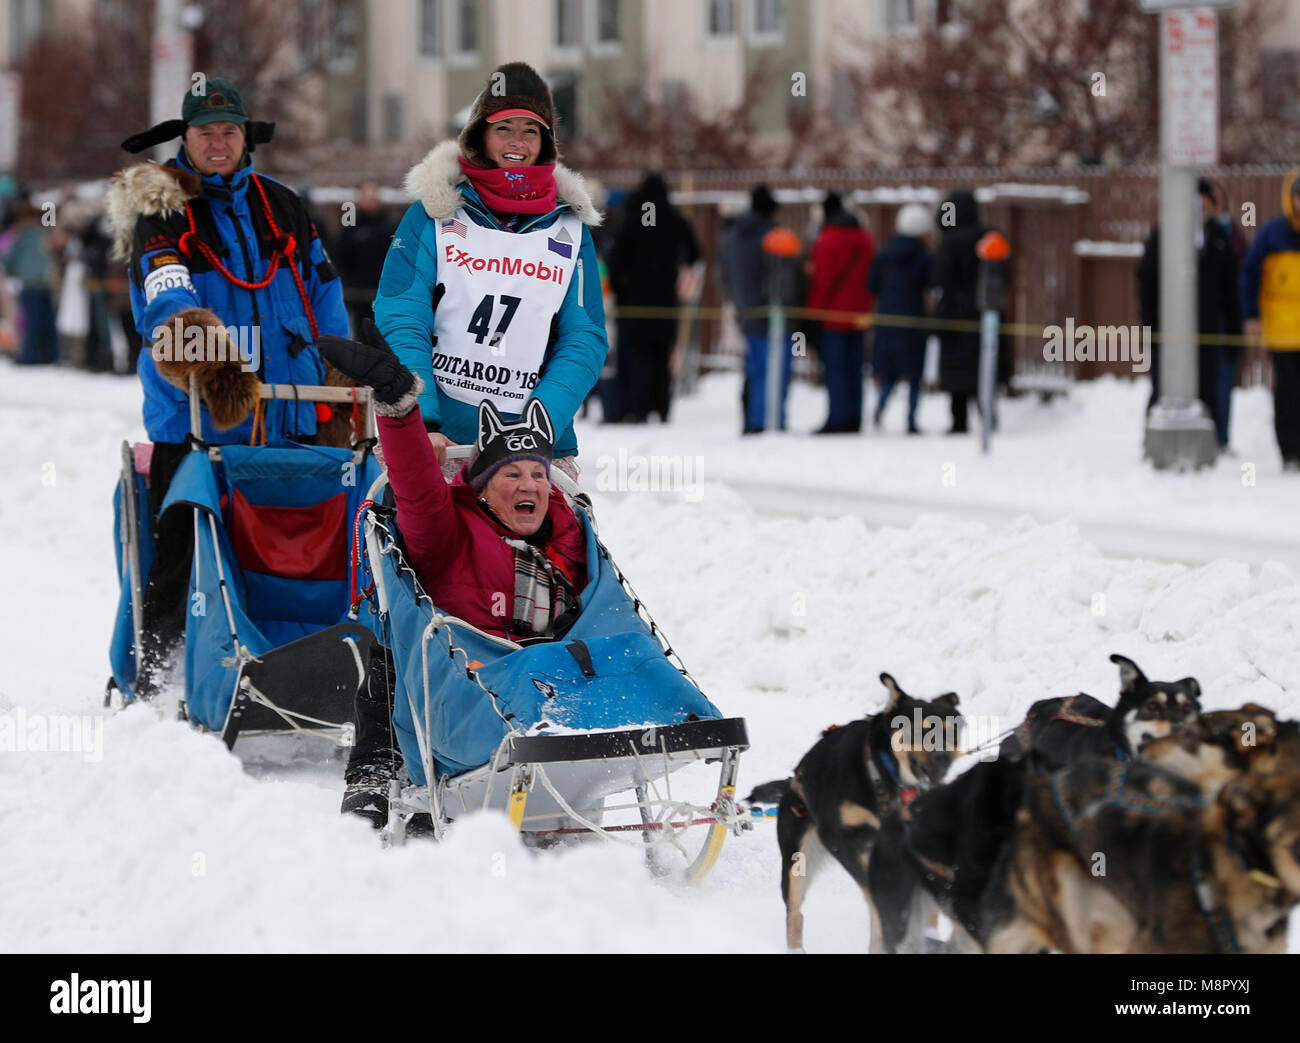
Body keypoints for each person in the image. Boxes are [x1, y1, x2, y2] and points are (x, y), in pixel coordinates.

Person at [108, 76, 348, 698]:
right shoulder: (160, 208)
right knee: (182, 558)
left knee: (291, 558)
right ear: (184, 138)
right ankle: (159, 681)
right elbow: (167, 302)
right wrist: (216, 366)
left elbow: (324, 297)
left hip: (290, 418)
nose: (219, 142)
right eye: (206, 131)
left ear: (247, 139)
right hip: (193, 425)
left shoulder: (286, 204)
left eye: (230, 131)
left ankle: (295, 673)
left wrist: (340, 372)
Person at [317, 322, 588, 827]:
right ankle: (375, 766)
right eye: (511, 473)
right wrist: (398, 407)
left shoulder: (569, 541)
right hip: (462, 701)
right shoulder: (449, 534)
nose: (529, 483)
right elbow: (417, 487)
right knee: (397, 635)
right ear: (482, 490)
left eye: (538, 473)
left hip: (554, 700)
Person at [373, 61, 608, 484]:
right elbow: (402, 315)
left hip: (536, 443)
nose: (517, 141)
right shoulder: (434, 214)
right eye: (504, 128)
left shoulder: (571, 229)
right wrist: (421, 420)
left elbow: (585, 337)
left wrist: (543, 419)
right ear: (480, 134)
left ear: (546, 143)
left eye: (530, 130)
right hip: (442, 439)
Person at [1137, 177, 1241, 450]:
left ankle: (1212, 442)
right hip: (1170, 330)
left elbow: (1231, 287)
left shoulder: (1218, 238)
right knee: (1164, 386)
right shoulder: (1165, 235)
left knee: (1209, 387)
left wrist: (1234, 327)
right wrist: (1151, 323)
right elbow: (1147, 280)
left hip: (1207, 329)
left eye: (1204, 200)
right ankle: (1154, 442)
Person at [606, 172, 700, 423]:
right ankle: (662, 406)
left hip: (634, 304)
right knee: (662, 355)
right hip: (666, 303)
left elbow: (615, 262)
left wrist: (621, 291)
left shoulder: (631, 219)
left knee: (638, 358)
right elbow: (695, 255)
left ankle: (639, 406)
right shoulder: (676, 219)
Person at [721, 185, 798, 433]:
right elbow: (782, 280)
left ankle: (754, 421)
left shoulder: (732, 237)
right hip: (773, 317)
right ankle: (771, 422)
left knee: (755, 372)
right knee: (775, 373)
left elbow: (723, 276)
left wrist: (739, 301)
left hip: (747, 314)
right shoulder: (774, 238)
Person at [1241, 169, 1300, 469]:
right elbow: (1250, 274)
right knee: (1288, 392)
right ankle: (1290, 451)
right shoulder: (1273, 233)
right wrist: (1252, 315)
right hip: (1282, 331)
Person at [805, 191, 875, 434]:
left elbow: (823, 282)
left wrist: (813, 315)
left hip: (833, 316)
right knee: (855, 368)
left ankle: (838, 418)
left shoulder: (827, 240)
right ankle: (855, 417)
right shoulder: (865, 239)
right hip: (860, 314)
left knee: (835, 369)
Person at [869, 203, 932, 434]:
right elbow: (931, 284)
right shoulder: (924, 257)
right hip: (914, 322)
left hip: (887, 321)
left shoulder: (885, 254)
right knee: (915, 375)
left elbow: (872, 284)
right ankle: (911, 420)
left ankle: (880, 406)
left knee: (890, 373)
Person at [932, 189, 988, 435]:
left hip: (954, 315)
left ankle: (959, 421)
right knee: (983, 366)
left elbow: (941, 278)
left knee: (957, 373)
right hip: (985, 312)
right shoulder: (988, 237)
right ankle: (988, 417)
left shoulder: (950, 242)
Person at [335, 181, 396, 332]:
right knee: (360, 333)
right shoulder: (350, 226)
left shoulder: (391, 226)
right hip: (357, 294)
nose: (371, 201)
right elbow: (341, 256)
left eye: (373, 196)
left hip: (382, 292)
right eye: (367, 197)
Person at [4, 202, 59, 365]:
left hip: (29, 285)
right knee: (49, 323)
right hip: (47, 283)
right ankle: (52, 356)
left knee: (30, 324)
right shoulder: (46, 233)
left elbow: (9, 261)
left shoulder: (21, 236)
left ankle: (29, 357)